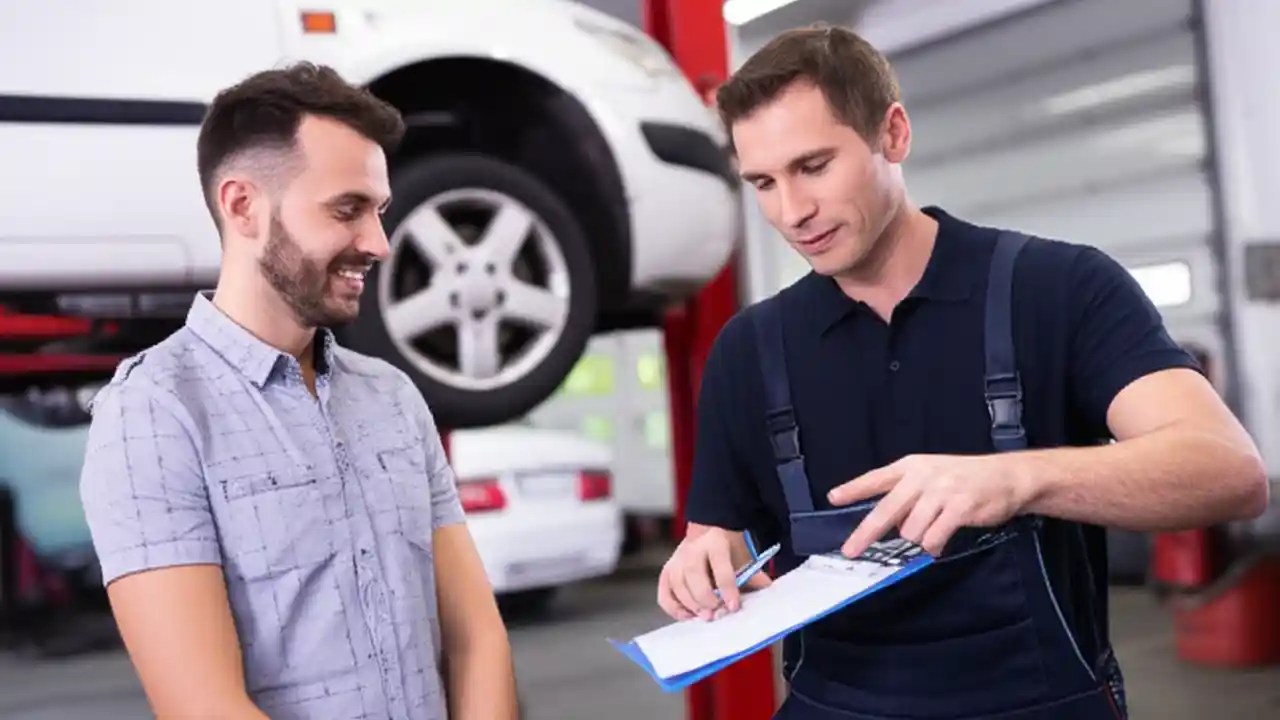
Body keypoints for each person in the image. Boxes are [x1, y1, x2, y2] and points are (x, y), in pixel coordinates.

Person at [656, 25, 1269, 719]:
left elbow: (1228, 473)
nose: (792, 212)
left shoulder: (1059, 289)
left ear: (893, 134)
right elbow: (723, 537)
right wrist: (702, 561)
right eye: (763, 183)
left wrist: (1014, 478)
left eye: (814, 166)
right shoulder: (748, 352)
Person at [78, 62, 519, 720]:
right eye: (348, 210)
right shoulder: (153, 414)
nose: (379, 242)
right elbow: (203, 707)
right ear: (242, 206)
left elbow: (476, 639)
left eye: (379, 211)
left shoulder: (391, 398)